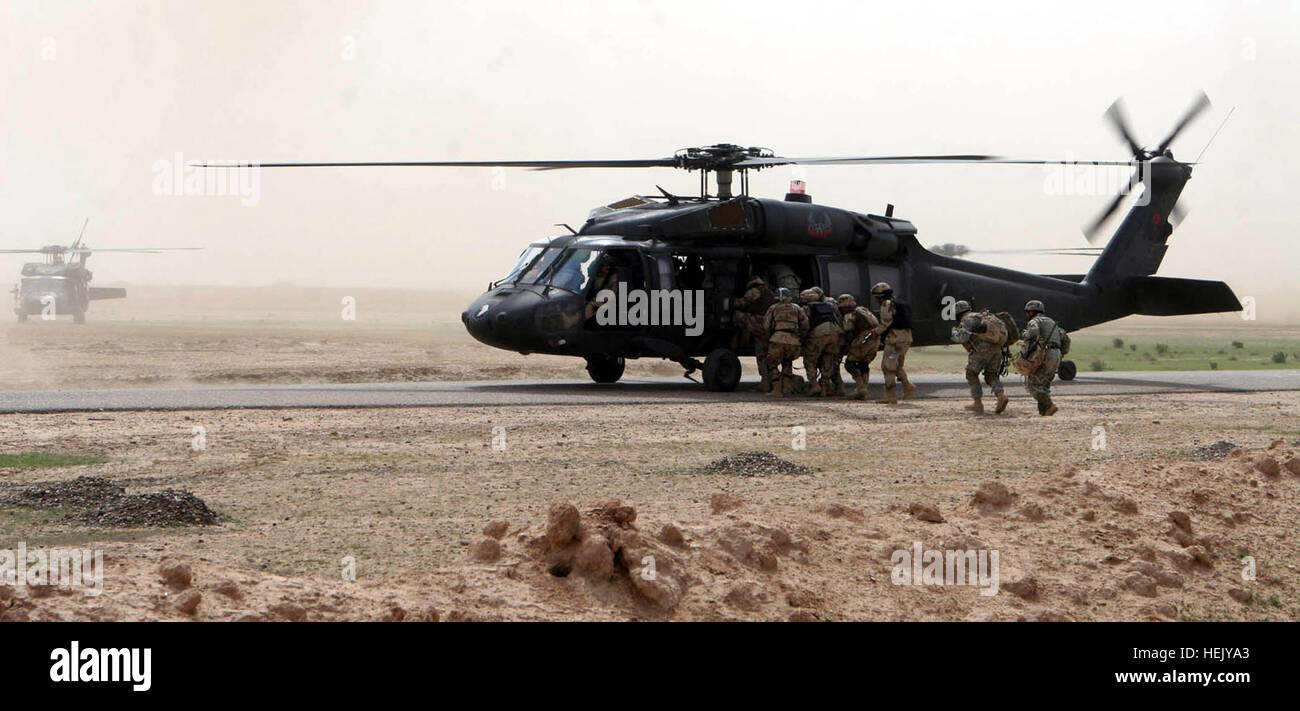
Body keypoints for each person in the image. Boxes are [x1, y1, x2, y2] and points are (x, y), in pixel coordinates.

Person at [950, 300, 1009, 414]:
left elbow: (962, 338)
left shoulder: (967, 319)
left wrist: (953, 333)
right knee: (990, 374)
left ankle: (977, 403)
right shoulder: (981, 316)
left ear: (957, 312)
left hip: (983, 348)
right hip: (997, 348)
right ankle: (1001, 396)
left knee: (971, 373)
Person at [871, 281, 914, 404]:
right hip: (905, 338)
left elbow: (886, 322)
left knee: (888, 365)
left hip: (895, 341)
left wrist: (876, 332)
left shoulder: (887, 304)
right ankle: (907, 386)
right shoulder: (900, 302)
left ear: (881, 297)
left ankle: (891, 395)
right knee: (896, 365)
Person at [733, 276, 777, 391]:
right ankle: (773, 382)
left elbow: (741, 303)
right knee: (769, 355)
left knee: (761, 354)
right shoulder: (768, 291)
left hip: (760, 326)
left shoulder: (754, 291)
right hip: (771, 327)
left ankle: (765, 383)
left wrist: (729, 299)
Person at [762, 288, 808, 397]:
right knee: (787, 363)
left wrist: (769, 336)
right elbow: (805, 324)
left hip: (777, 338)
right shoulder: (797, 308)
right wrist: (800, 337)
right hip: (794, 340)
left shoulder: (773, 308)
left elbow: (766, 325)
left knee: (771, 364)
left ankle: (777, 390)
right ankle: (787, 389)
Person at [1021, 299, 1062, 416]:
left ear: (1032, 312)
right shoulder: (1051, 322)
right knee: (1044, 384)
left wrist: (1024, 335)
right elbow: (1064, 337)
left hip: (1045, 354)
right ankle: (1044, 411)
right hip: (1056, 354)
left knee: (1033, 384)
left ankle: (1049, 405)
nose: (1027, 315)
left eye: (1028, 312)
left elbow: (1033, 331)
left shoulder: (1035, 321)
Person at [800, 287, 842, 396]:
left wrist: (803, 337)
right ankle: (825, 386)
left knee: (810, 360)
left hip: (818, 333)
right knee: (828, 359)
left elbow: (804, 325)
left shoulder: (806, 308)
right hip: (834, 332)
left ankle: (814, 385)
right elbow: (838, 319)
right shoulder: (828, 306)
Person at [838, 293, 880, 399]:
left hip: (864, 337)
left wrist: (847, 345)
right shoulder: (863, 310)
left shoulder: (849, 314)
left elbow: (849, 330)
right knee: (863, 364)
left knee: (850, 363)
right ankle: (863, 388)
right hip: (875, 337)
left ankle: (861, 387)